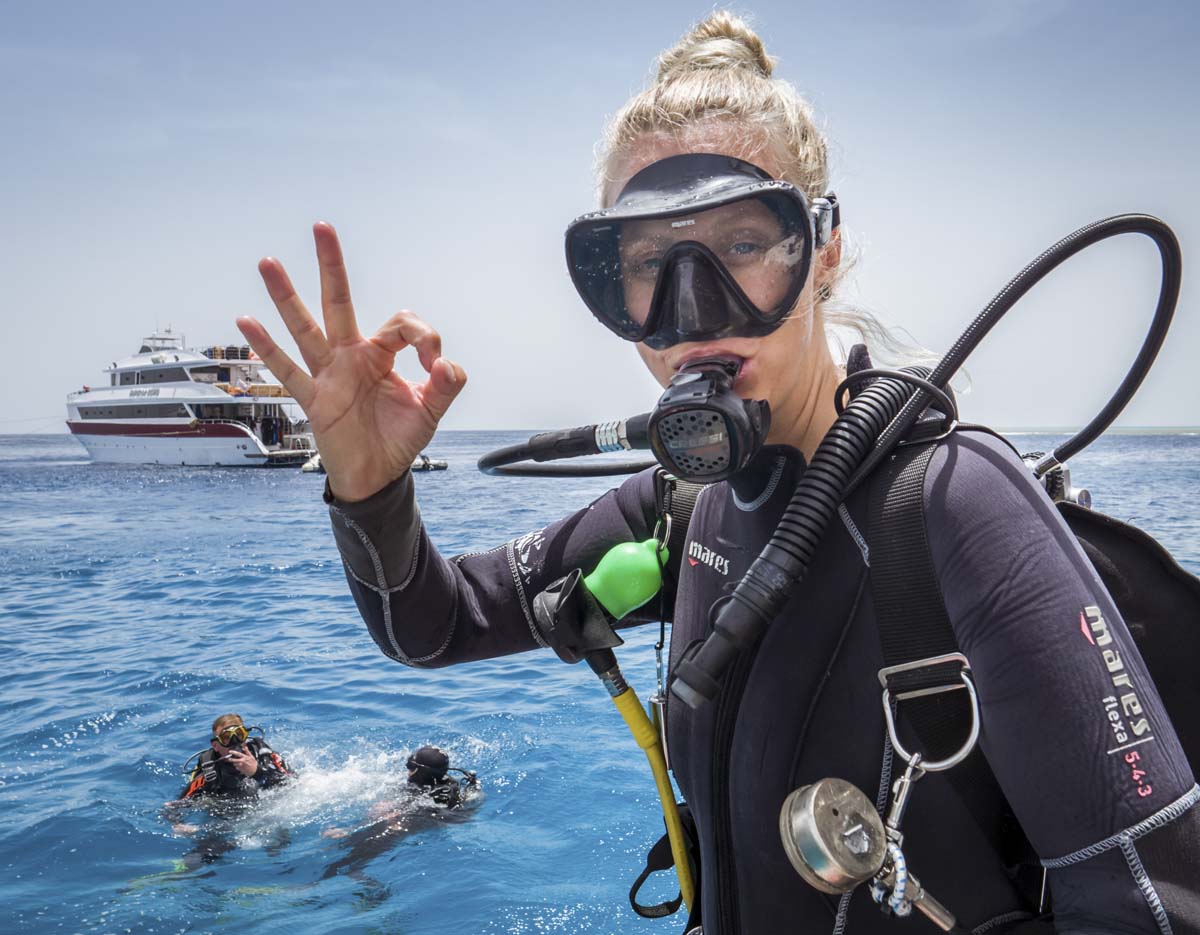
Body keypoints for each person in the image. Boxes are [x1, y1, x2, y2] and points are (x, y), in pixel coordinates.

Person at [236, 12, 1200, 934]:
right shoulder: (681, 510)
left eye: (745, 245)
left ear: (822, 252)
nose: (695, 311)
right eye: (650, 264)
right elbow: (429, 623)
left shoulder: (955, 509)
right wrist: (367, 486)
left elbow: (1153, 910)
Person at [165, 713, 293, 834]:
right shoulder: (211, 771)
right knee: (209, 849)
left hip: (267, 811)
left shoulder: (263, 756)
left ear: (245, 737)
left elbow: (293, 784)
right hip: (227, 818)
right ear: (216, 746)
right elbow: (173, 806)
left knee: (278, 844)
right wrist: (178, 824)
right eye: (226, 738)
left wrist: (257, 773)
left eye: (239, 734)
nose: (235, 742)